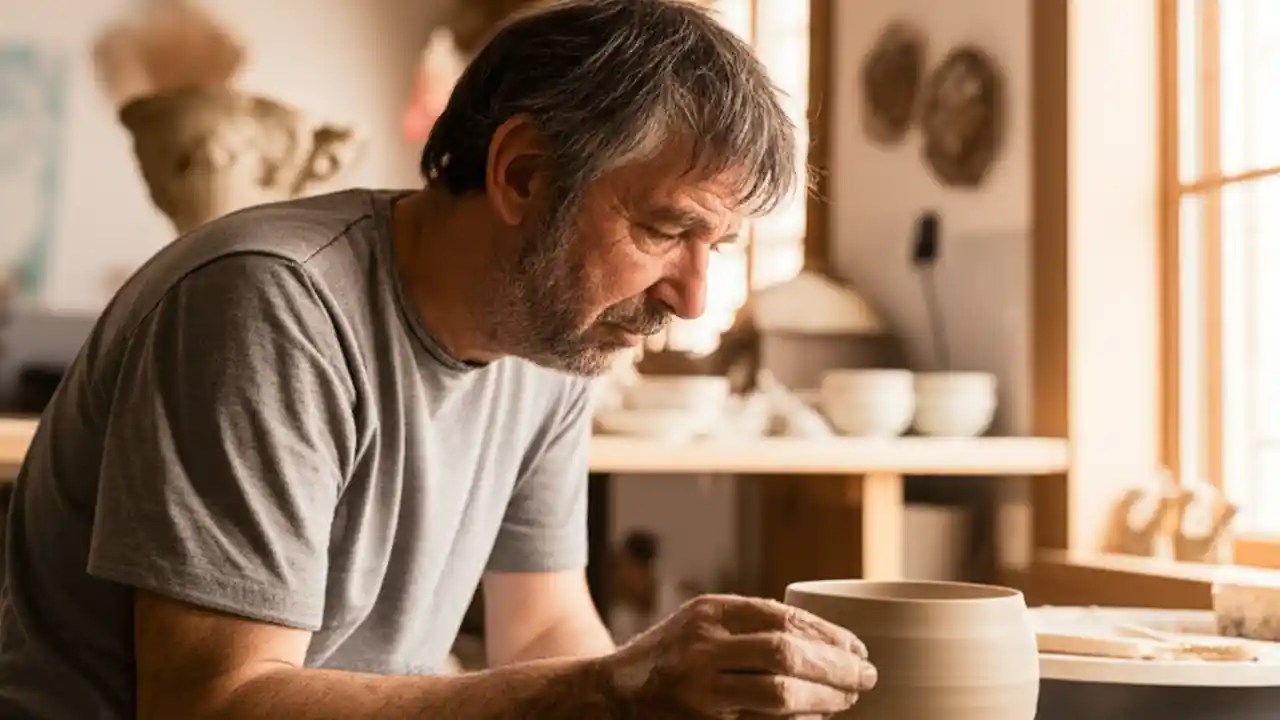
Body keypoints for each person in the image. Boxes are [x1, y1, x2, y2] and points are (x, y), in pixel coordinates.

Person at [0, 1, 876, 717]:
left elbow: (542, 631)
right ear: (523, 174)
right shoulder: (270, 305)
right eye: (663, 229)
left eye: (714, 247)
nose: (690, 299)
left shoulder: (553, 336)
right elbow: (211, 704)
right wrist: (620, 687)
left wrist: (656, 698)